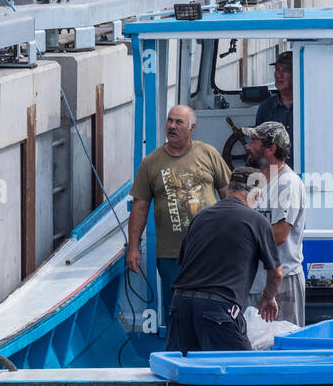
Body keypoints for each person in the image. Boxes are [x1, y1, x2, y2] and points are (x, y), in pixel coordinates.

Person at [127, 104, 231, 317]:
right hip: (171, 254)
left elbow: (229, 195)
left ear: (192, 127)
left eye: (178, 122)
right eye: (170, 121)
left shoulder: (208, 153)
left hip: (210, 249)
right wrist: (133, 247)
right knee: (176, 311)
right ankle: (177, 349)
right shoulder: (151, 163)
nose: (172, 126)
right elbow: (140, 205)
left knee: (213, 308)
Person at [165, 168, 283, 354]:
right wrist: (268, 298)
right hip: (217, 310)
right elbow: (276, 273)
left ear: (228, 189)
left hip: (181, 306)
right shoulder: (257, 221)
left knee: (182, 375)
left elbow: (185, 262)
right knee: (242, 374)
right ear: (256, 194)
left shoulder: (200, 217)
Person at [243, 121, 307, 326]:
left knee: (284, 345)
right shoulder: (255, 180)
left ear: (270, 149)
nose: (247, 146)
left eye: (254, 141)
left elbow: (279, 234)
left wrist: (240, 238)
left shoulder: (287, 183)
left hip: (283, 282)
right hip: (254, 280)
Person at [252, 50, 294, 164]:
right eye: (277, 70)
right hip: (274, 174)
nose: (279, 75)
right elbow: (258, 145)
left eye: (285, 70)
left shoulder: (308, 106)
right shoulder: (266, 107)